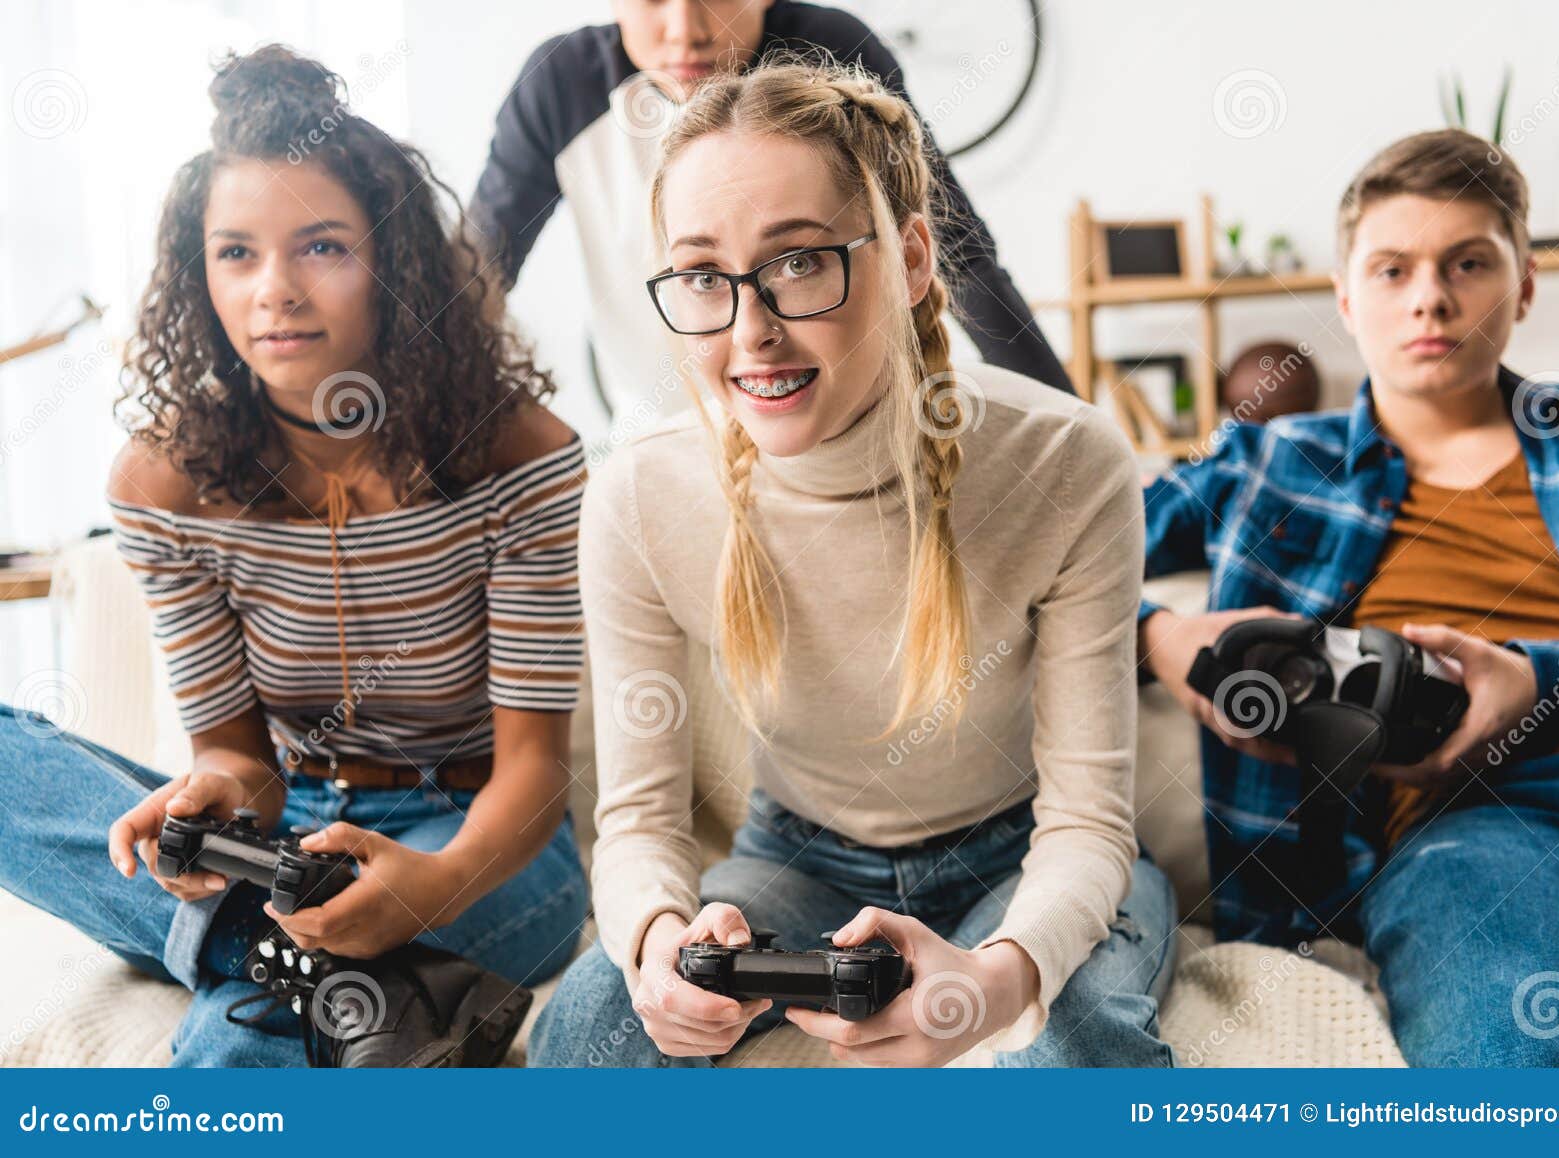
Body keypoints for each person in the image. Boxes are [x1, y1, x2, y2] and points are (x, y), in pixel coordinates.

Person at [528, 60, 1175, 1068]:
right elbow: (641, 823)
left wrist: (999, 978)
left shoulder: (1067, 460)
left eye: (797, 263)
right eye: (702, 277)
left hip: (1022, 851)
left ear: (910, 260)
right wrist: (657, 946)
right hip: (796, 857)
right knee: (589, 1032)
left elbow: (1088, 823)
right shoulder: (637, 497)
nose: (751, 331)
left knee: (1078, 1048)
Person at [0, 46, 589, 1066]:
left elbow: (534, 770)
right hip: (289, 827)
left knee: (241, 1048)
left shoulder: (516, 456)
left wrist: (433, 886)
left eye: (320, 247)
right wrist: (213, 801)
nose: (274, 290)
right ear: (199, 276)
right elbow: (239, 760)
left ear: (393, 263)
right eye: (236, 253)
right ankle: (304, 959)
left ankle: (265, 950)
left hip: (476, 837)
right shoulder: (165, 483)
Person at [1138, 129, 1559, 1066]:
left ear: (1523, 286)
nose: (1431, 297)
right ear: (1346, 299)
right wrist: (1160, 638)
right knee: (1514, 1049)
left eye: (1468, 263)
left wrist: (1544, 681)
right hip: (1487, 825)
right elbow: (1036, 570)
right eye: (1393, 270)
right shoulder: (1261, 464)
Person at [468, 0, 1072, 434]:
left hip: (844, 434)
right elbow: (471, 283)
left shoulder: (832, 53)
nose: (687, 30)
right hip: (666, 442)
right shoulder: (560, 88)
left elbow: (960, 257)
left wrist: (1070, 426)